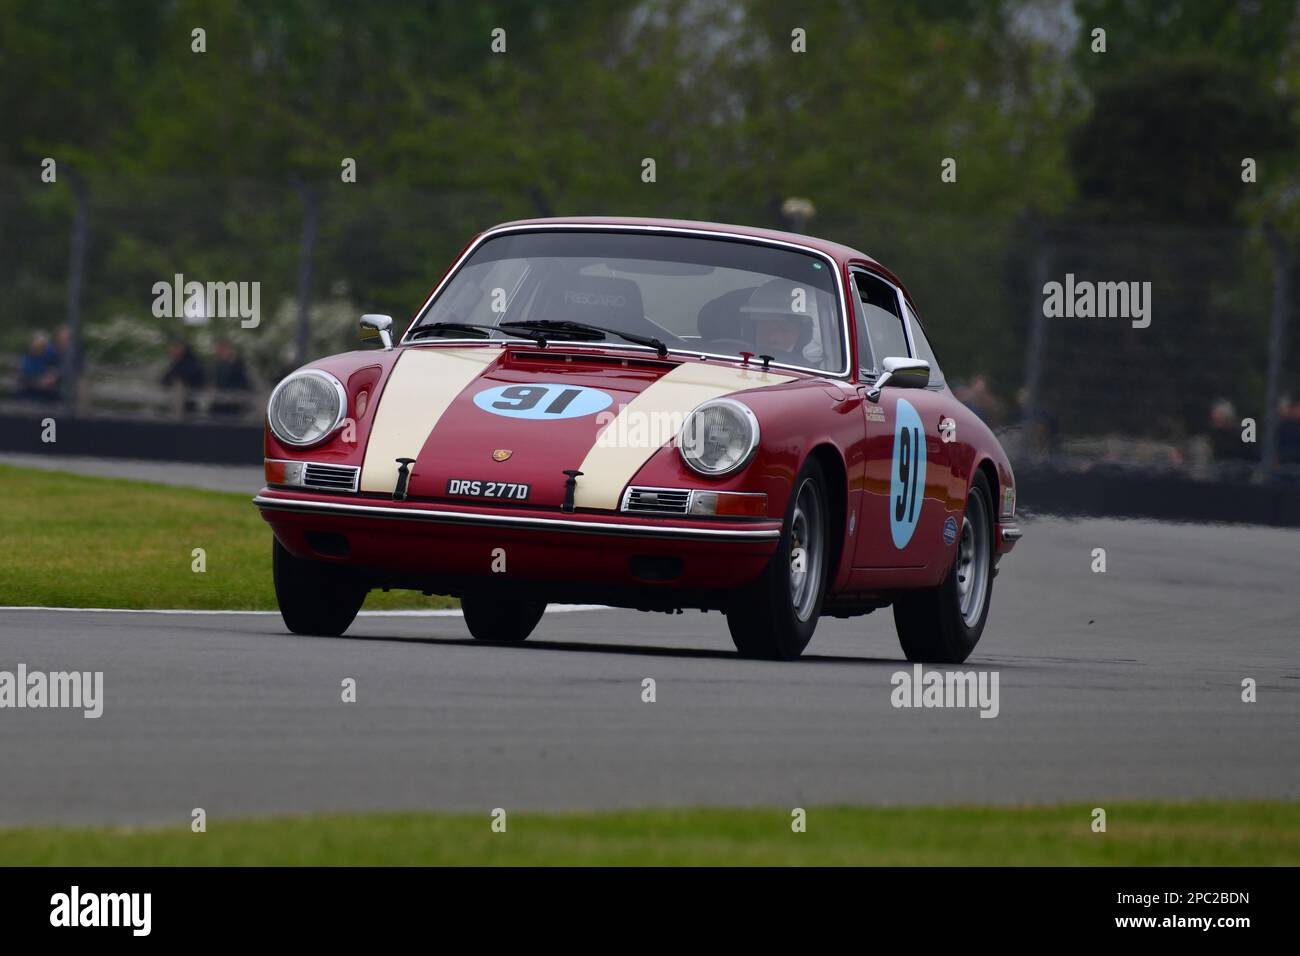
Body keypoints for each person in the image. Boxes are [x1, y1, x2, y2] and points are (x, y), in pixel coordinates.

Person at [738, 278, 813, 366]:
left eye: (785, 329)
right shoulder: (727, 363)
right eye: (766, 327)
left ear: (801, 335)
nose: (773, 337)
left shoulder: (813, 374)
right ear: (751, 330)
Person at [160, 340, 207, 416]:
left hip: (190, 399)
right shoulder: (175, 364)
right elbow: (165, 379)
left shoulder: (192, 363)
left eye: (175, 349)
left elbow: (193, 377)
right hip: (179, 401)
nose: (172, 352)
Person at [210, 338, 252, 417]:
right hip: (219, 400)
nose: (219, 352)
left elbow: (243, 382)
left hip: (233, 401)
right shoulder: (218, 364)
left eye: (222, 350)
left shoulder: (238, 364)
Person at [16, 330, 61, 401]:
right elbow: (21, 376)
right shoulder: (26, 358)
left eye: (42, 345)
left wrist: (49, 379)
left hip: (45, 396)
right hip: (27, 394)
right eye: (37, 343)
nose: (39, 346)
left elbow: (52, 376)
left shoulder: (51, 356)